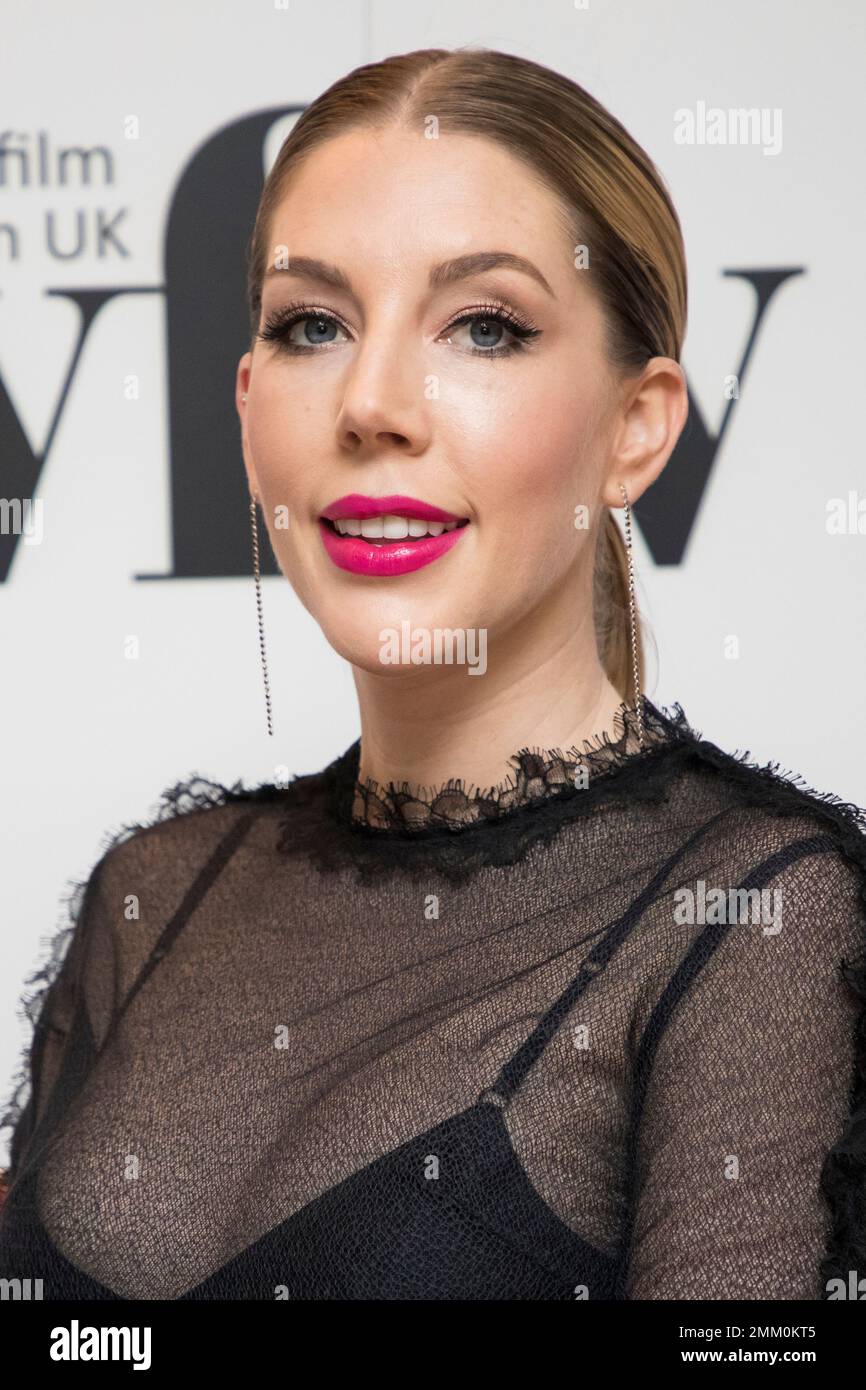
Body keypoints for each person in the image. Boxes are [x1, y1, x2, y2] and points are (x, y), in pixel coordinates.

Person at [1, 46, 864, 1302]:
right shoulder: (154, 894)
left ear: (636, 427)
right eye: (312, 324)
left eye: (481, 327)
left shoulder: (756, 919)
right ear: (245, 406)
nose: (370, 402)